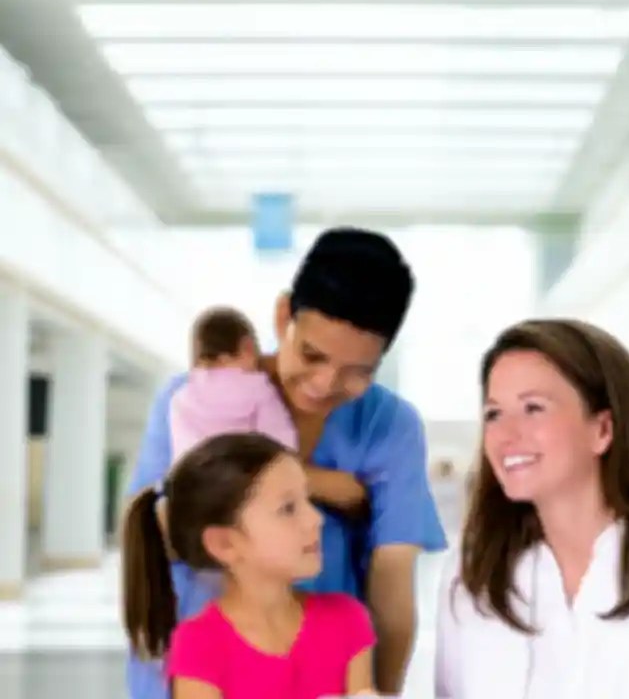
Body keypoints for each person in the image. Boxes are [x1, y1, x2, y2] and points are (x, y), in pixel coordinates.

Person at [126, 227, 445, 698]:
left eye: (359, 371)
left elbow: (393, 594)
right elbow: (164, 527)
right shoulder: (194, 400)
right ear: (282, 318)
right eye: (311, 355)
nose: (324, 383)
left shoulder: (390, 425)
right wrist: (322, 484)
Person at [435, 319, 629, 698]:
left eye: (533, 408)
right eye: (493, 414)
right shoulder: (470, 573)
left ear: (602, 429)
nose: (506, 434)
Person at [122, 433, 376, 699]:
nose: (315, 519)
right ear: (225, 544)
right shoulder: (199, 646)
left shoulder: (348, 620)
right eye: (288, 508)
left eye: (308, 500)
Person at [170, 306, 297, 460]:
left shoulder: (181, 399)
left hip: (197, 479)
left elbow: (181, 453)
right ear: (248, 347)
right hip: (244, 479)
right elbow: (282, 442)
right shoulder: (258, 389)